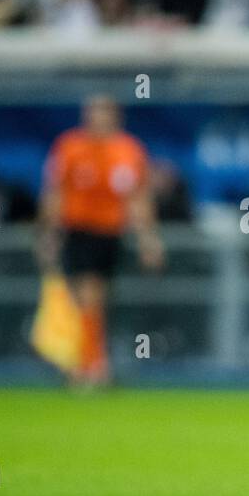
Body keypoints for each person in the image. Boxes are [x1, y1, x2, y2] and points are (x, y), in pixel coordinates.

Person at [39, 95, 163, 387]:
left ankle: (88, 363)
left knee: (95, 298)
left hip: (110, 233)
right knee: (85, 295)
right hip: (78, 230)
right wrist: (50, 234)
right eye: (93, 112)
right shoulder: (70, 147)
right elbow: (54, 191)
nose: (98, 118)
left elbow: (138, 198)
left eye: (104, 113)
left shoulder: (129, 150)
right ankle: (90, 365)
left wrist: (148, 238)